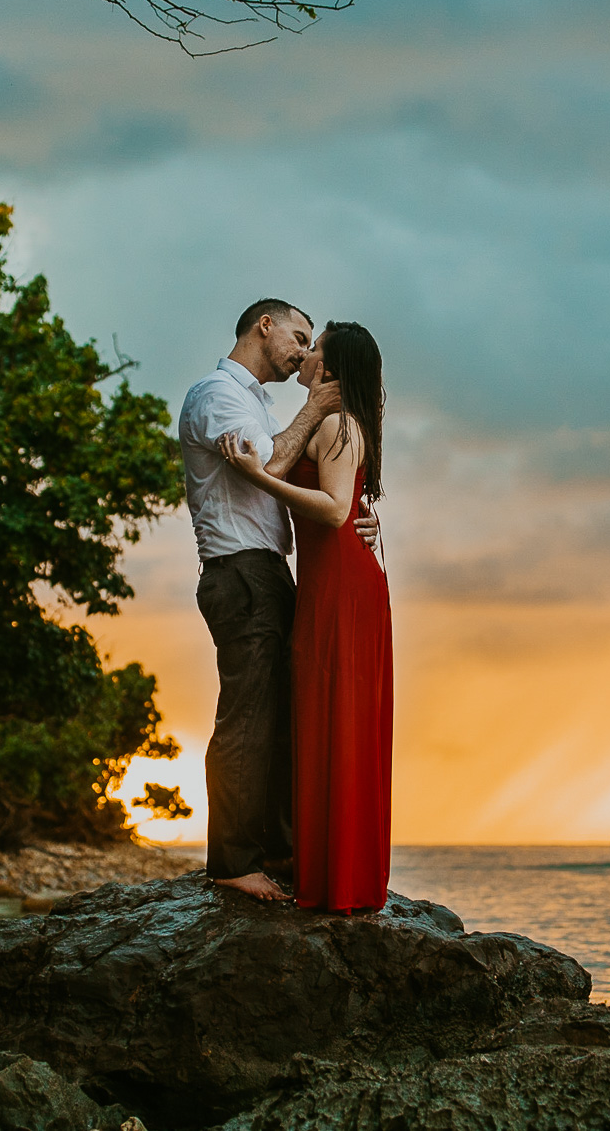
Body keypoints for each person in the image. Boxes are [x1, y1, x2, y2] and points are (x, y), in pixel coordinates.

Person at [178, 299, 378, 902]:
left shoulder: (260, 405)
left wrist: (357, 519)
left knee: (280, 714)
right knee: (248, 716)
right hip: (238, 569)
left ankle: (278, 850)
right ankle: (235, 860)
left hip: (268, 570)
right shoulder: (217, 394)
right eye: (298, 336)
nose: (302, 353)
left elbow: (310, 480)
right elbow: (260, 465)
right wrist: (314, 406)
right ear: (265, 326)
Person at [223, 321, 392, 913]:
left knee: (337, 719)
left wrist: (257, 478)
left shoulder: (339, 425)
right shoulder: (321, 424)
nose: (306, 353)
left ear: (333, 366)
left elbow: (334, 508)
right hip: (326, 584)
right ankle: (326, 870)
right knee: (322, 718)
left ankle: (341, 878)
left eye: (315, 346)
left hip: (344, 588)